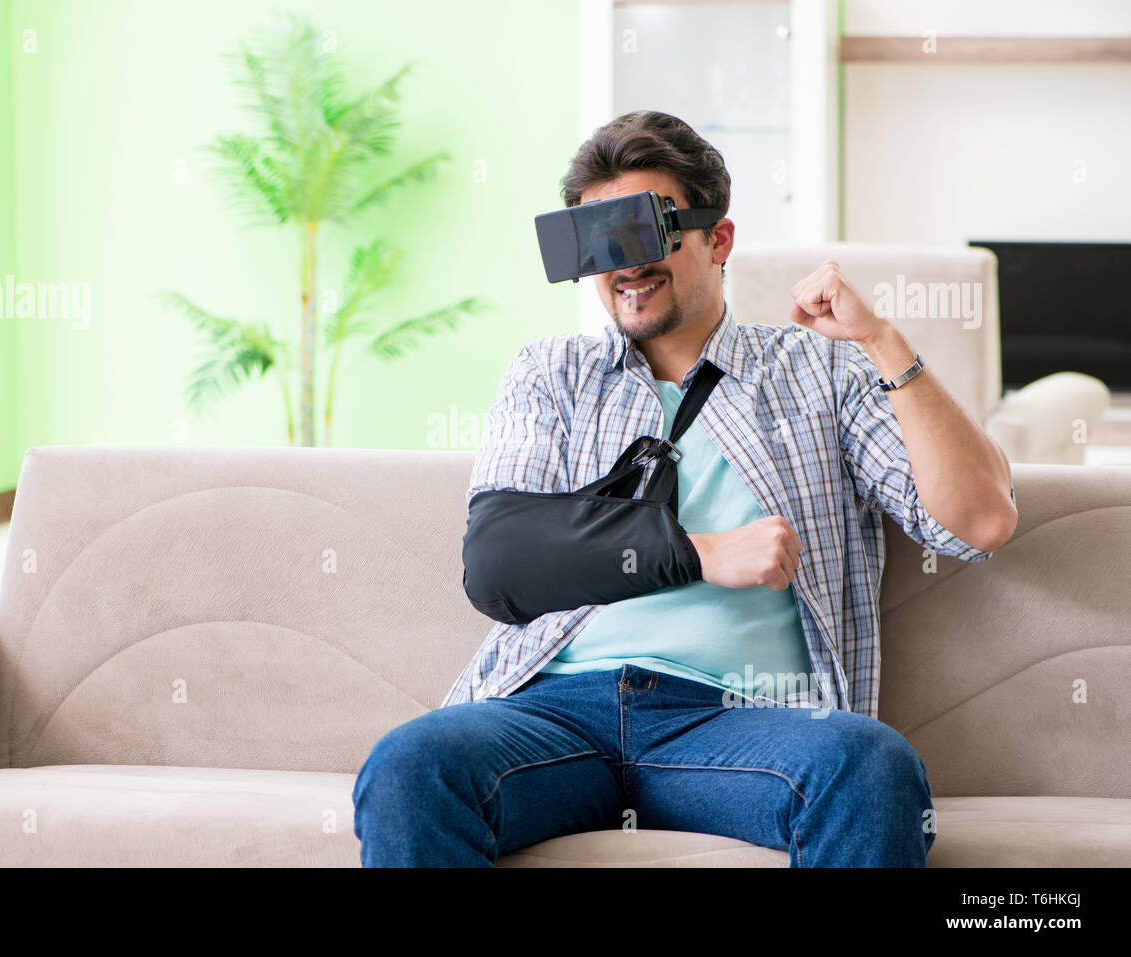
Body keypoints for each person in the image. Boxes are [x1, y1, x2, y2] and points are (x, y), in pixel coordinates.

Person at [352, 110, 1017, 867]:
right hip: (553, 713)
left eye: (647, 232)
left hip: (741, 719)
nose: (625, 266)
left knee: (869, 765)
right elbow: (498, 562)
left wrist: (882, 341)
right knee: (408, 767)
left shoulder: (820, 372)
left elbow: (981, 521)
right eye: (599, 242)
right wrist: (699, 553)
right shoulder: (552, 373)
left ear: (718, 239)